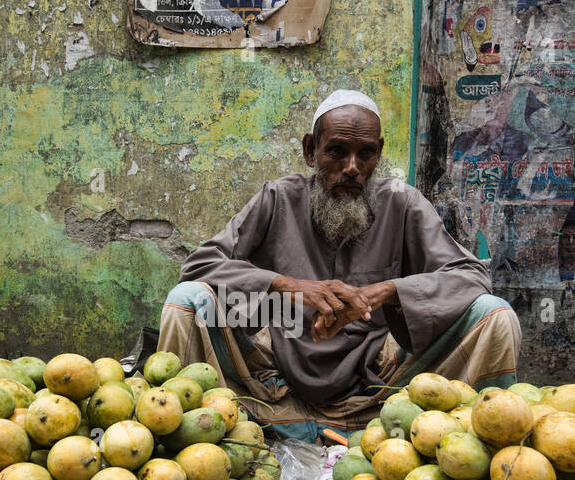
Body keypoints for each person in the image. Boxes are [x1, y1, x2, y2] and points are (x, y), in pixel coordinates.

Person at [157, 89, 521, 441]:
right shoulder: (278, 198)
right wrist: (287, 285)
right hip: (275, 373)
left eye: (365, 154)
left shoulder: (402, 203)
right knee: (186, 300)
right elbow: (200, 266)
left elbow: (472, 276)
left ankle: (486, 443)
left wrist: (389, 292)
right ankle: (180, 439)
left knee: (493, 314)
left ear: (379, 153)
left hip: (382, 380)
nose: (352, 168)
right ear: (310, 150)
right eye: (337, 152)